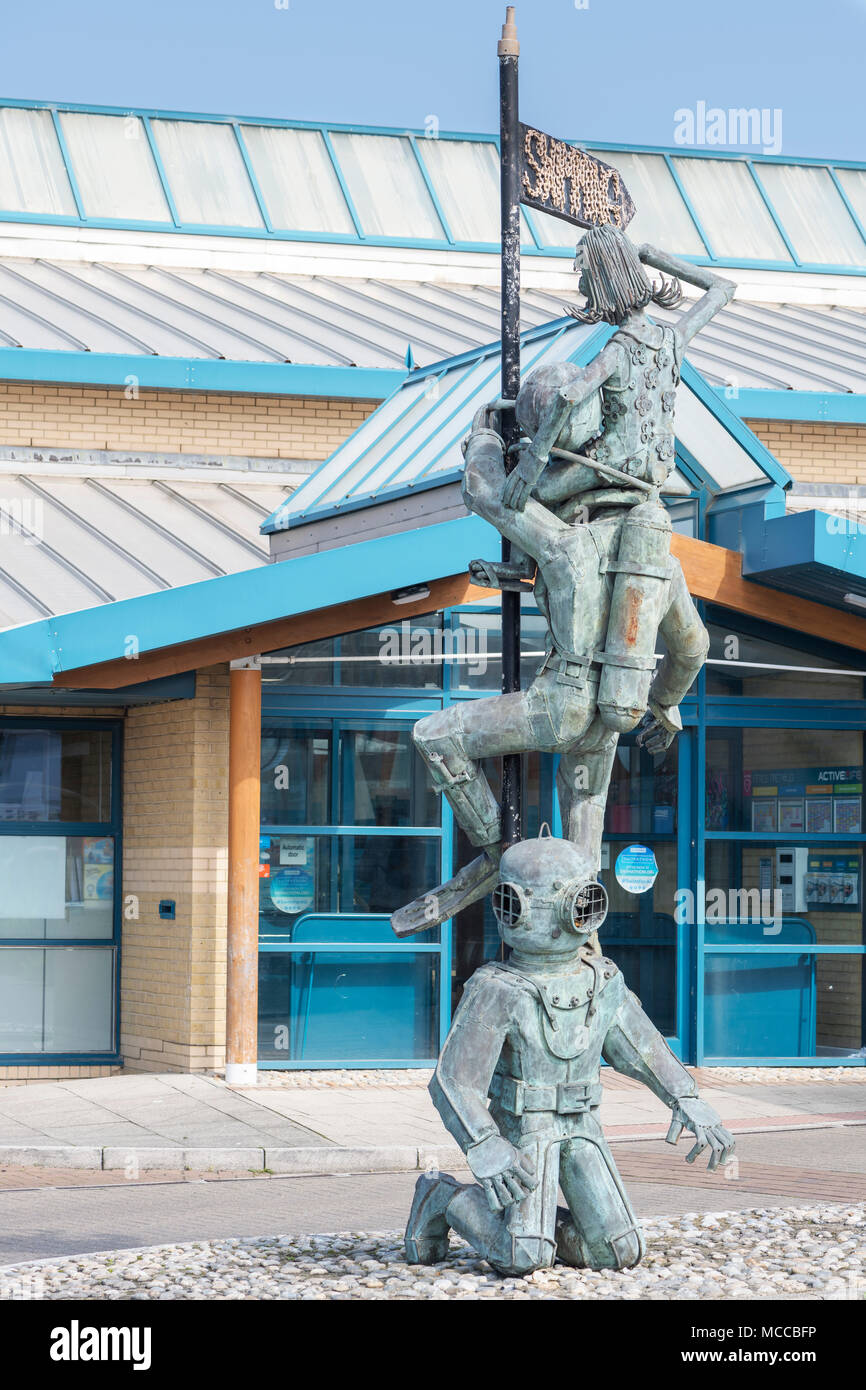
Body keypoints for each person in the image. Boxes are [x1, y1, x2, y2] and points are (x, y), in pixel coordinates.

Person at [404, 834, 734, 1276]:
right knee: (523, 1257)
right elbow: (454, 1082)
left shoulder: (603, 979)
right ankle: (441, 1197)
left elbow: (643, 1047)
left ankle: (531, 1227)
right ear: (512, 906)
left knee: (619, 1250)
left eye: (584, 898)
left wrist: (686, 1098)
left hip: (582, 1125)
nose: (578, 910)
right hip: (525, 1130)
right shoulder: (497, 989)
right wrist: (484, 1144)